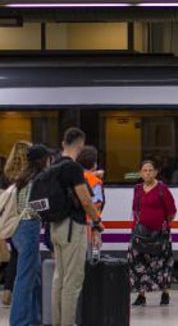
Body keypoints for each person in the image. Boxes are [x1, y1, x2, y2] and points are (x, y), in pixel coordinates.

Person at [48, 127, 103, 326]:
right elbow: (86, 200)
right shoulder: (73, 168)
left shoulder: (53, 166)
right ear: (80, 146)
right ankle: (68, 323)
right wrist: (97, 221)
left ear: (63, 143)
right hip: (72, 228)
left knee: (59, 279)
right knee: (72, 281)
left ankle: (57, 322)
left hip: (55, 227)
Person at [5, 143, 47, 326]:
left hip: (19, 230)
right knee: (25, 277)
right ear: (41, 160)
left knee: (36, 275)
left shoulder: (24, 177)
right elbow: (39, 205)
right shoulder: (37, 179)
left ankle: (35, 317)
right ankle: (20, 321)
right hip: (29, 227)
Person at [129, 160, 177, 307]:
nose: (148, 173)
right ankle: (141, 295)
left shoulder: (163, 189)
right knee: (137, 263)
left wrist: (163, 226)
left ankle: (165, 294)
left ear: (156, 172)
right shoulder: (137, 188)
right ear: (140, 173)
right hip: (140, 234)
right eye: (145, 170)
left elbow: (172, 211)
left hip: (159, 235)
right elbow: (135, 210)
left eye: (151, 170)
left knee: (163, 264)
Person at [78, 146, 105, 214]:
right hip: (89, 221)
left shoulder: (74, 177)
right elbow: (96, 205)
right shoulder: (96, 182)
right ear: (94, 164)